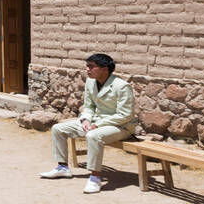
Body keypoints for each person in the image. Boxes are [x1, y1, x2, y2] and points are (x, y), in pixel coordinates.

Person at [41, 53, 139, 194]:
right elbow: (89, 107)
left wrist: (98, 125)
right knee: (58, 128)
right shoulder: (90, 82)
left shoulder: (122, 86)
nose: (87, 69)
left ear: (105, 69)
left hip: (120, 126)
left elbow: (125, 115)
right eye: (87, 66)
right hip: (96, 122)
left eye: (91, 67)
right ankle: (62, 168)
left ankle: (95, 178)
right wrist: (86, 119)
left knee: (93, 136)